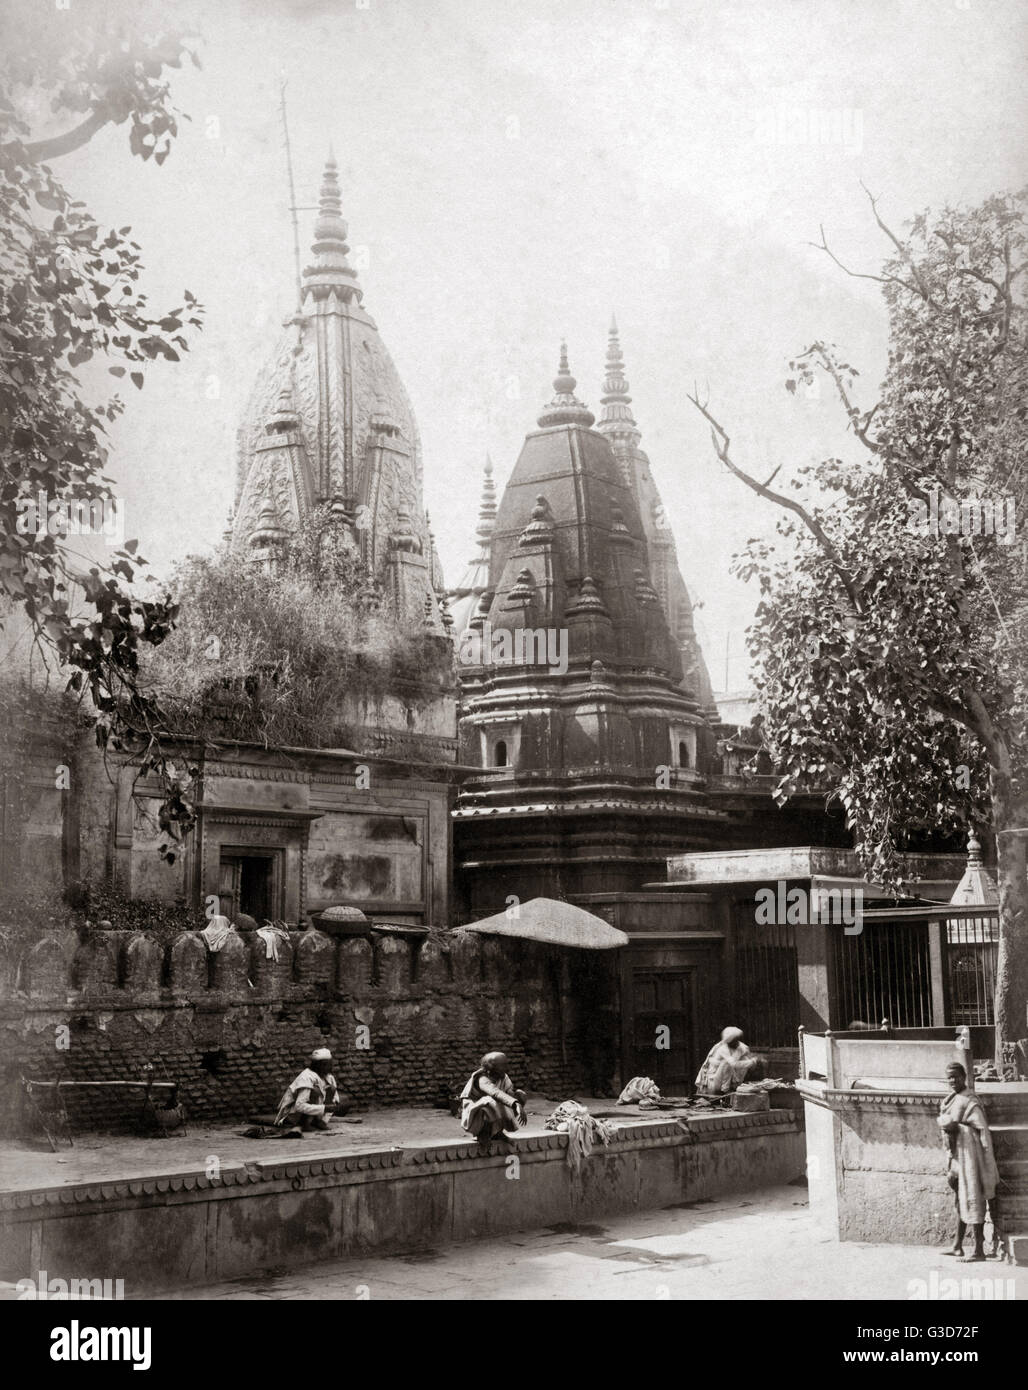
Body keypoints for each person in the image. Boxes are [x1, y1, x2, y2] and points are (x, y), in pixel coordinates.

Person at [938, 1061, 1001, 1262]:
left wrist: (957, 1127)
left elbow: (981, 1129)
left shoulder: (970, 1100)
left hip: (972, 1159)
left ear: (964, 1077)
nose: (952, 1080)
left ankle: (978, 1250)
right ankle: (957, 1245)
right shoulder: (951, 1099)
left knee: (973, 1198)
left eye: (956, 1076)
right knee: (960, 1200)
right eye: (949, 1077)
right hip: (957, 1158)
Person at [275, 1048, 350, 1134]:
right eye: (326, 1064)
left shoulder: (329, 1077)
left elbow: (334, 1100)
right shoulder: (307, 1077)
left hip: (316, 1114)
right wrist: (324, 1108)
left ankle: (320, 1122)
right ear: (319, 1065)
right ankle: (305, 1123)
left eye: (330, 1064)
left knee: (331, 1089)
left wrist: (334, 1106)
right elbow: (299, 1106)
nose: (330, 1067)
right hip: (293, 1115)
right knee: (315, 1091)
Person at [459, 1051, 527, 1145]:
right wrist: (515, 1103)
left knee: (519, 1096)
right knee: (490, 1101)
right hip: (475, 1116)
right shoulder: (482, 1079)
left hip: (493, 1110)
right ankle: (483, 1134)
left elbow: (508, 1093)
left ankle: (497, 1132)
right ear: (490, 1068)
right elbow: (495, 1093)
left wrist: (518, 1099)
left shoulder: (503, 1077)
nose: (507, 1068)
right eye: (502, 1066)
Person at [695, 1026, 766, 1095]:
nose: (737, 1042)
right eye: (734, 1040)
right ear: (729, 1041)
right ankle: (725, 1091)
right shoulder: (722, 1048)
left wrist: (757, 1059)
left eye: (737, 1040)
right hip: (714, 1081)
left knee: (745, 1059)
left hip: (731, 1080)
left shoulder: (741, 1047)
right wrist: (753, 1061)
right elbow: (734, 1064)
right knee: (726, 1063)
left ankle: (736, 1085)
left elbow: (747, 1056)